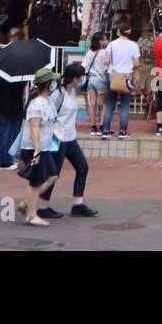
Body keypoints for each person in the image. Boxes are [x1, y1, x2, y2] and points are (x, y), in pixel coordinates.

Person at [36, 64, 98, 219]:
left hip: (70, 138)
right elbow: (49, 115)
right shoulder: (58, 93)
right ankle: (42, 206)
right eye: (81, 78)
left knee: (82, 168)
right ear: (74, 78)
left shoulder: (72, 91)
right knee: (54, 174)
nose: (82, 81)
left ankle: (78, 204)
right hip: (58, 138)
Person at [19, 66, 63, 227]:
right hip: (34, 148)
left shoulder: (47, 102)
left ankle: (28, 203)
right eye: (53, 82)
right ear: (48, 84)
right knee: (35, 182)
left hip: (44, 147)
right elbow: (35, 127)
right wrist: (37, 151)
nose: (55, 85)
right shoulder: (37, 103)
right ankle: (31, 215)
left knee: (52, 175)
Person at [0, 28, 26, 169]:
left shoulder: (2, 58)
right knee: (6, 131)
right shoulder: (18, 62)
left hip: (2, 103)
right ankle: (3, 161)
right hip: (7, 105)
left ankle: (5, 158)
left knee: (3, 131)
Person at [100, 24, 139, 139]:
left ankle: (106, 130)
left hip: (112, 76)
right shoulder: (134, 45)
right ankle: (122, 131)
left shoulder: (111, 44)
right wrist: (130, 69)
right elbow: (137, 64)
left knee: (110, 104)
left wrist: (114, 65)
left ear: (119, 32)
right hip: (126, 78)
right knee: (125, 105)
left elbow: (106, 61)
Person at [81, 33, 109, 137]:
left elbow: (84, 66)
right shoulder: (104, 52)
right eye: (105, 39)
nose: (106, 41)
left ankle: (93, 127)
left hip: (90, 79)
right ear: (100, 41)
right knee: (105, 104)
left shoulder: (89, 52)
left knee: (92, 104)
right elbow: (106, 68)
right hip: (100, 79)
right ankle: (101, 126)